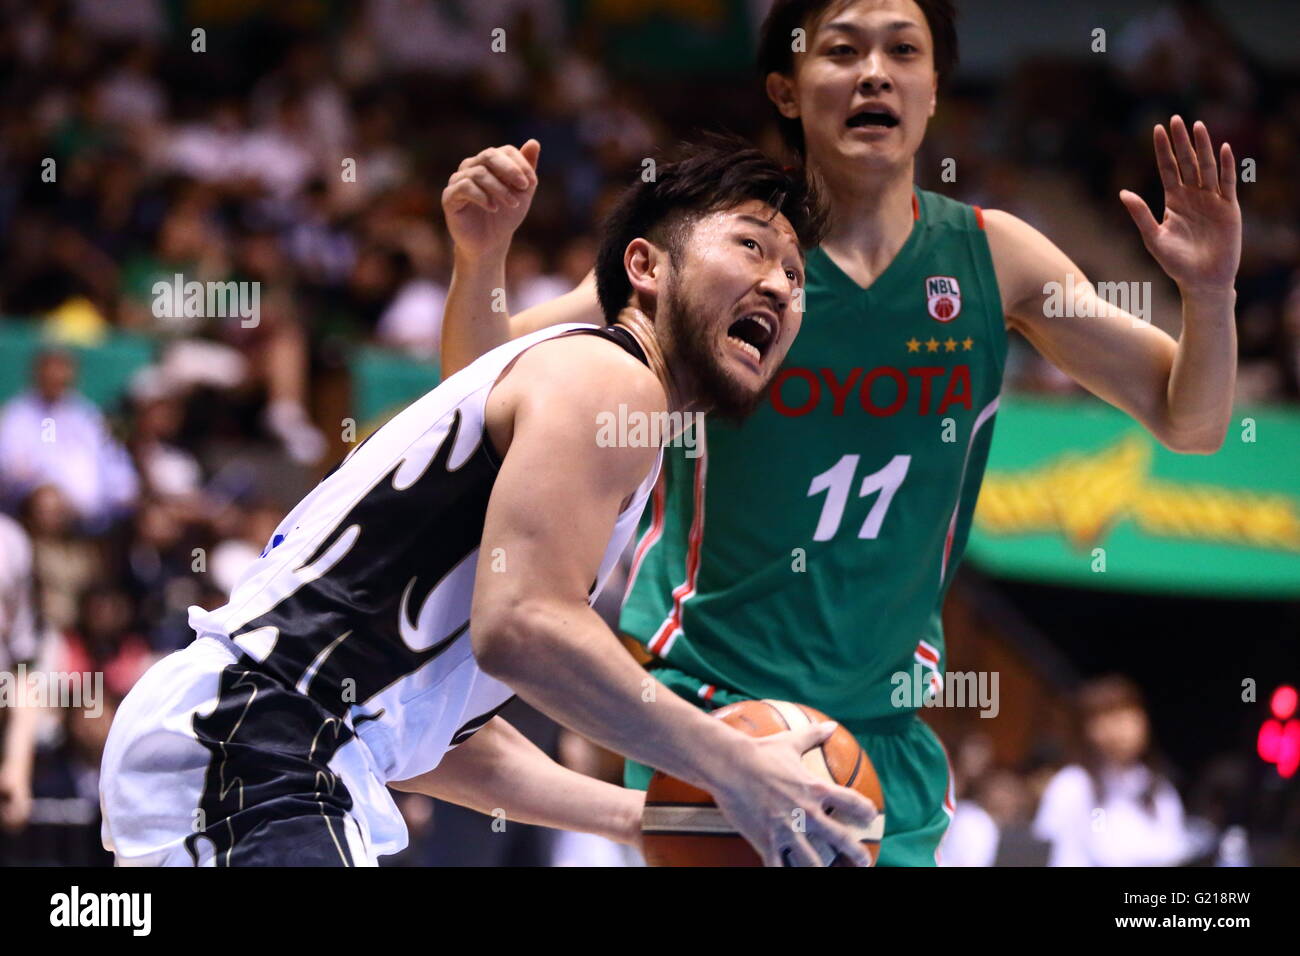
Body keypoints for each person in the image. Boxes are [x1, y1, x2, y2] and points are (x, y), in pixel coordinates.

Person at [436, 0, 1241, 866]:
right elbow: (477, 384)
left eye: (903, 51)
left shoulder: (994, 258)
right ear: (786, 88)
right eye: (842, 50)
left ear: (935, 90)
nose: (874, 72)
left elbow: (1190, 422)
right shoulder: (719, 249)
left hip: (886, 735)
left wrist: (1211, 294)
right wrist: (480, 261)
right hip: (716, 710)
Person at [99, 139, 880, 867]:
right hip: (260, 746)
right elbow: (525, 627)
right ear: (644, 267)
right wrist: (733, 763)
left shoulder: (580, 403)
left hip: (256, 741)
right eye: (752, 245)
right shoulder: (611, 382)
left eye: (797, 276)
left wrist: (646, 815)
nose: (780, 282)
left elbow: (442, 739)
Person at [1033, 675, 1191, 866]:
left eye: (1133, 716)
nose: (1127, 728)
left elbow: (1173, 848)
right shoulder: (1075, 784)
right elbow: (1099, 847)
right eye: (1114, 717)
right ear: (1089, 728)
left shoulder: (1157, 789)